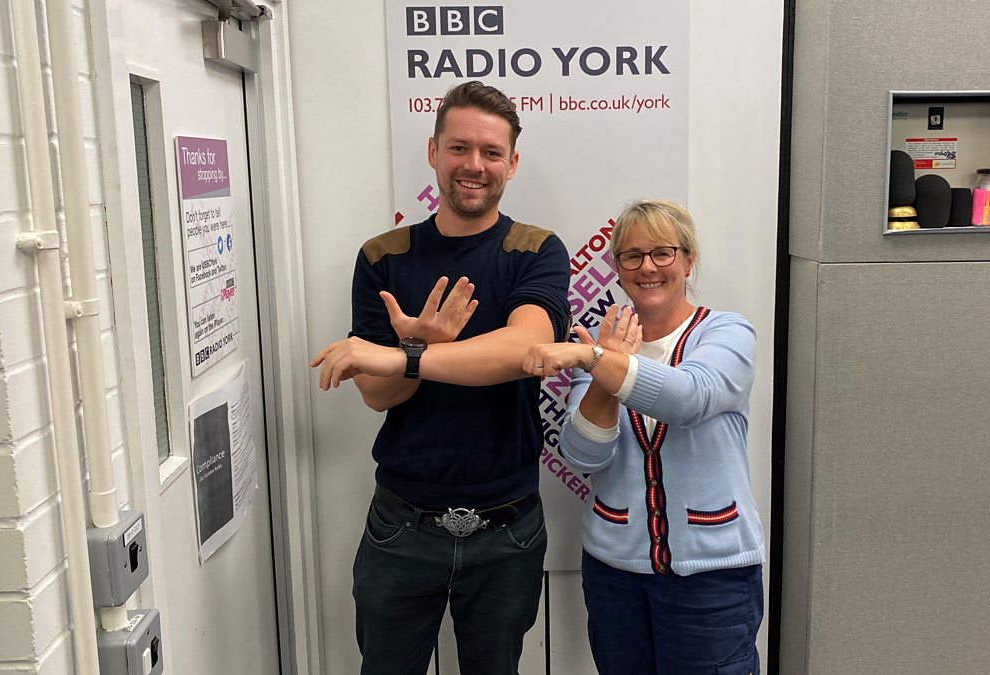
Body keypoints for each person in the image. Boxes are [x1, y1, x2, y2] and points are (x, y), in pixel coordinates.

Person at [309, 80, 570, 675]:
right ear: (432, 153)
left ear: (512, 163)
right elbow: (378, 394)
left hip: (508, 528)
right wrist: (419, 344)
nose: (473, 165)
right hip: (403, 525)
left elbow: (526, 348)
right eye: (458, 148)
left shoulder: (537, 252)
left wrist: (405, 355)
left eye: (490, 152)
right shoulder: (384, 256)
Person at [523, 199, 764, 674]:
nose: (647, 267)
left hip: (712, 579)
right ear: (617, 268)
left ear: (688, 260)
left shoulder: (727, 333)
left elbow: (690, 398)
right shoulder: (597, 342)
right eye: (631, 256)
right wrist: (601, 367)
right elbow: (583, 455)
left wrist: (598, 364)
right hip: (615, 577)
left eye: (662, 253)